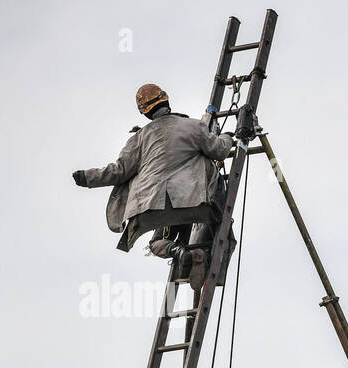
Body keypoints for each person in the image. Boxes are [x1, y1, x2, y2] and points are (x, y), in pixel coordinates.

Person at [72, 84, 237, 263]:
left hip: (149, 207)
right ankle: (204, 258)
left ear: (145, 113)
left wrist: (87, 177)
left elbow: (119, 171)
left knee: (156, 243)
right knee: (221, 230)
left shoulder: (139, 138)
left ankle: (178, 253)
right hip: (195, 201)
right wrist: (227, 137)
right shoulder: (193, 126)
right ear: (166, 99)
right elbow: (219, 151)